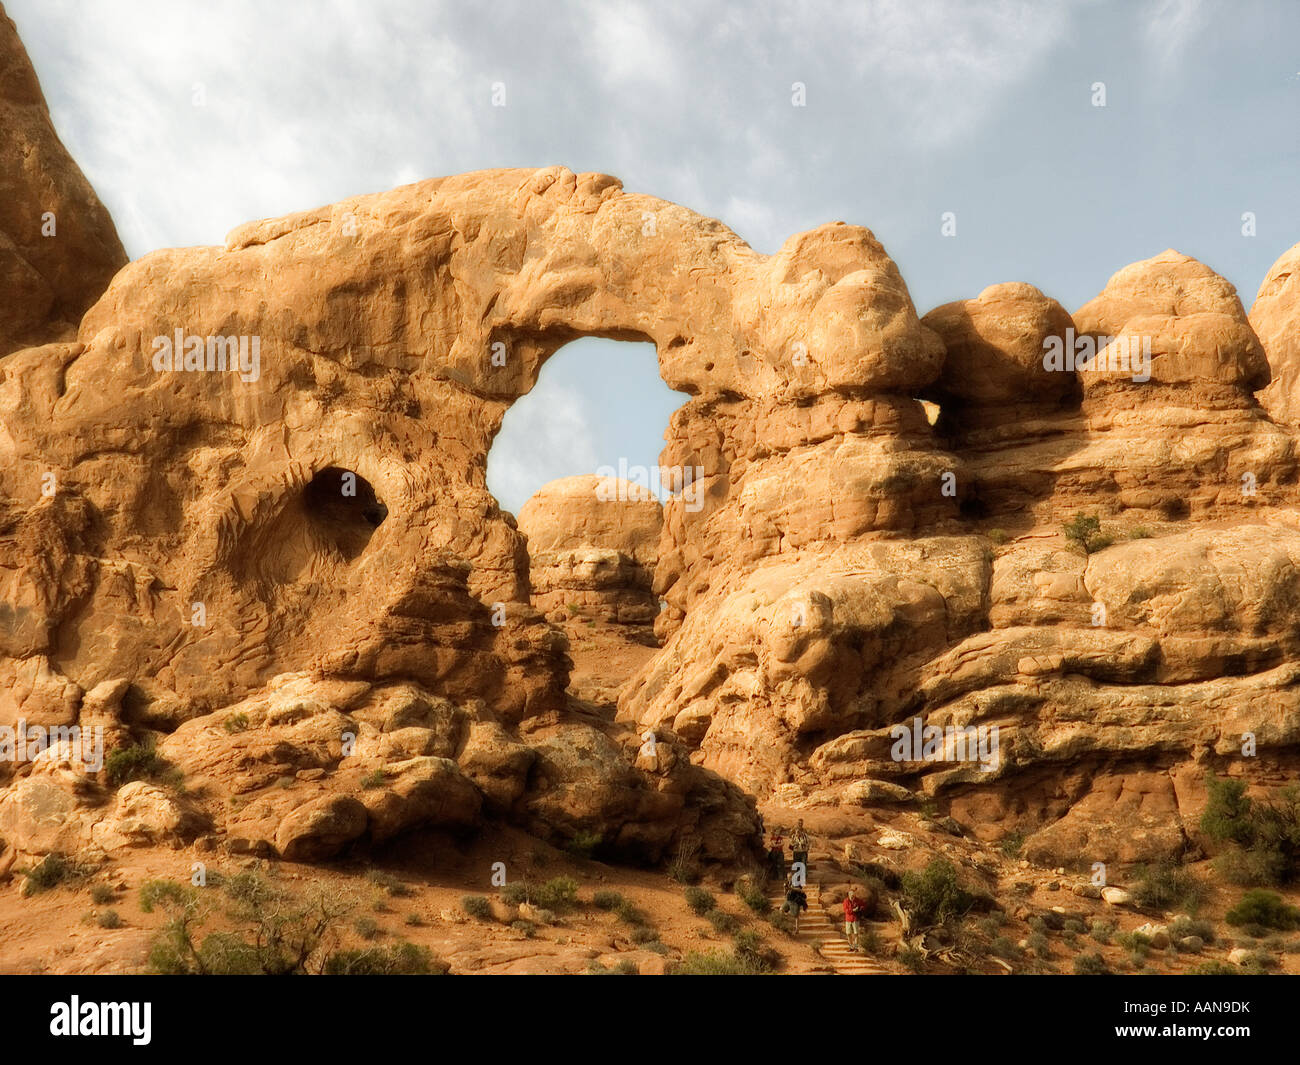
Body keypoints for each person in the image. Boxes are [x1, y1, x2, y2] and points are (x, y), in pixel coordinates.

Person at [843, 885, 869, 952]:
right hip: (848, 919)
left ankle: (856, 948)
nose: (852, 896)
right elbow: (846, 910)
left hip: (855, 919)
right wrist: (853, 910)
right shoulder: (846, 901)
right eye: (851, 894)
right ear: (848, 894)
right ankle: (851, 947)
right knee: (848, 934)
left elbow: (864, 905)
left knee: (856, 934)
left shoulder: (858, 900)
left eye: (853, 894)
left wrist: (859, 909)